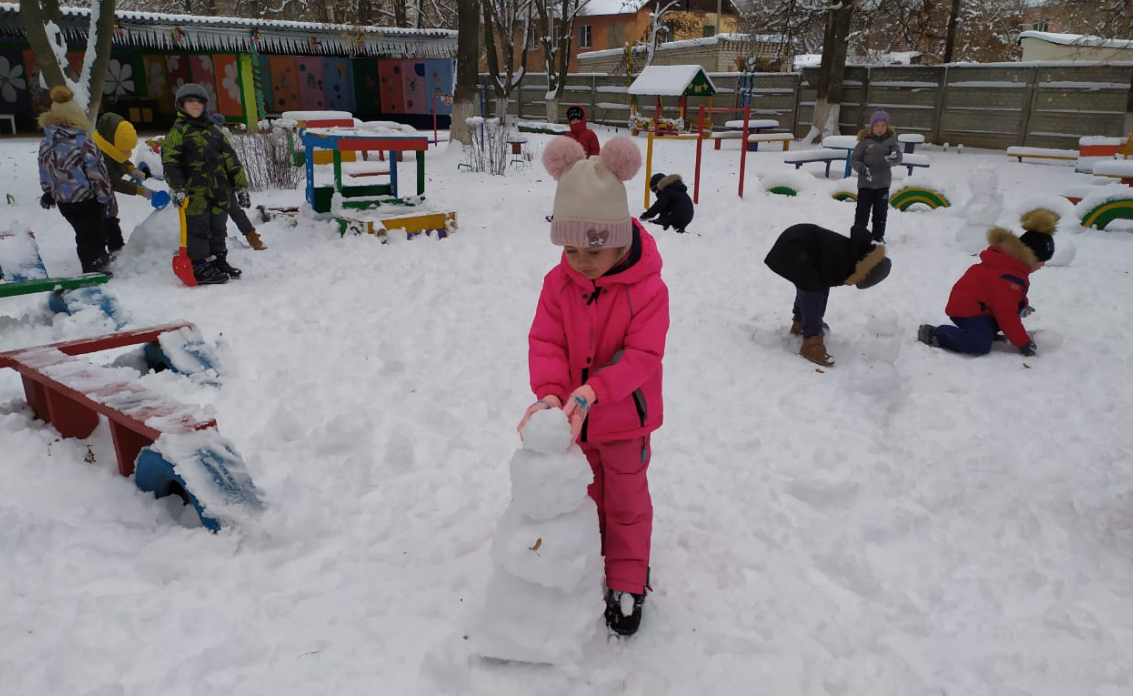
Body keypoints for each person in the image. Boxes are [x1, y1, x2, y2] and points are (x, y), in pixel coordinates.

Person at [517, 135, 668, 637]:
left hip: (626, 420)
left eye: (595, 247)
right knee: (588, 495)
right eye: (571, 247)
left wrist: (595, 390)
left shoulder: (648, 289)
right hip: (576, 425)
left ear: (621, 237)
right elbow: (547, 342)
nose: (581, 260)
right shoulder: (557, 285)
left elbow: (643, 356)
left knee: (625, 502)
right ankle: (585, 561)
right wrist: (553, 393)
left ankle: (627, 578)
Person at [918, 210, 1057, 357]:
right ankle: (935, 334)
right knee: (979, 345)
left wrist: (1022, 305)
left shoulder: (1013, 266)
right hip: (966, 310)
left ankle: (985, 331)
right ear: (1031, 258)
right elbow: (1006, 313)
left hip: (982, 307)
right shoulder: (1008, 276)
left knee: (1010, 313)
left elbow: (1009, 299)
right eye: (1042, 261)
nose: (1042, 266)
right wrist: (1022, 342)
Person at [764, 223, 892, 367]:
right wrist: (814, 321)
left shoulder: (854, 255)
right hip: (794, 247)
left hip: (796, 243)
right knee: (812, 288)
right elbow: (816, 294)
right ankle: (811, 342)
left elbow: (824, 284)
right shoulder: (845, 261)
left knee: (812, 285)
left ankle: (801, 323)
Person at [162, 83, 251, 284]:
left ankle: (219, 260)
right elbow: (171, 162)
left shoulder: (214, 131)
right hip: (194, 192)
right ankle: (199, 265)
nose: (195, 105)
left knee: (218, 226)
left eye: (199, 102)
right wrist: (178, 187)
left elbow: (231, 159)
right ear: (181, 105)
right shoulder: (178, 131)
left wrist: (240, 186)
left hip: (220, 189)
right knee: (198, 228)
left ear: (204, 106)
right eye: (189, 101)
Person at [37, 85, 115, 275]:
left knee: (83, 231)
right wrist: (105, 198)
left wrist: (48, 191)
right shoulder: (83, 143)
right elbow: (97, 173)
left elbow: (44, 168)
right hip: (86, 199)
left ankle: (97, 259)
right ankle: (93, 267)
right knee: (91, 235)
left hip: (63, 200)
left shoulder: (47, 142)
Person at [94, 112, 154, 254]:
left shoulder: (110, 147)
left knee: (110, 216)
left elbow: (120, 159)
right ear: (111, 143)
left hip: (105, 193)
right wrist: (140, 190)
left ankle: (113, 244)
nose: (127, 152)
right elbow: (114, 183)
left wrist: (131, 169)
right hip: (94, 195)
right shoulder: (99, 157)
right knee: (106, 219)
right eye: (125, 149)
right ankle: (114, 247)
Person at [209, 112, 267, 251]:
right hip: (222, 185)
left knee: (215, 215)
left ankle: (221, 241)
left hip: (203, 186)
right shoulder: (219, 138)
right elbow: (233, 164)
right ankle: (254, 240)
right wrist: (240, 188)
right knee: (235, 212)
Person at [850, 108, 902, 244]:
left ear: (887, 127)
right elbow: (854, 159)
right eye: (877, 125)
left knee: (880, 212)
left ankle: (878, 236)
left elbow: (898, 158)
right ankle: (859, 235)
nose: (880, 128)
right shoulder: (865, 142)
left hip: (882, 184)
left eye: (883, 125)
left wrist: (894, 158)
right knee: (862, 211)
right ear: (872, 127)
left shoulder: (891, 142)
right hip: (866, 184)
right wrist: (860, 167)